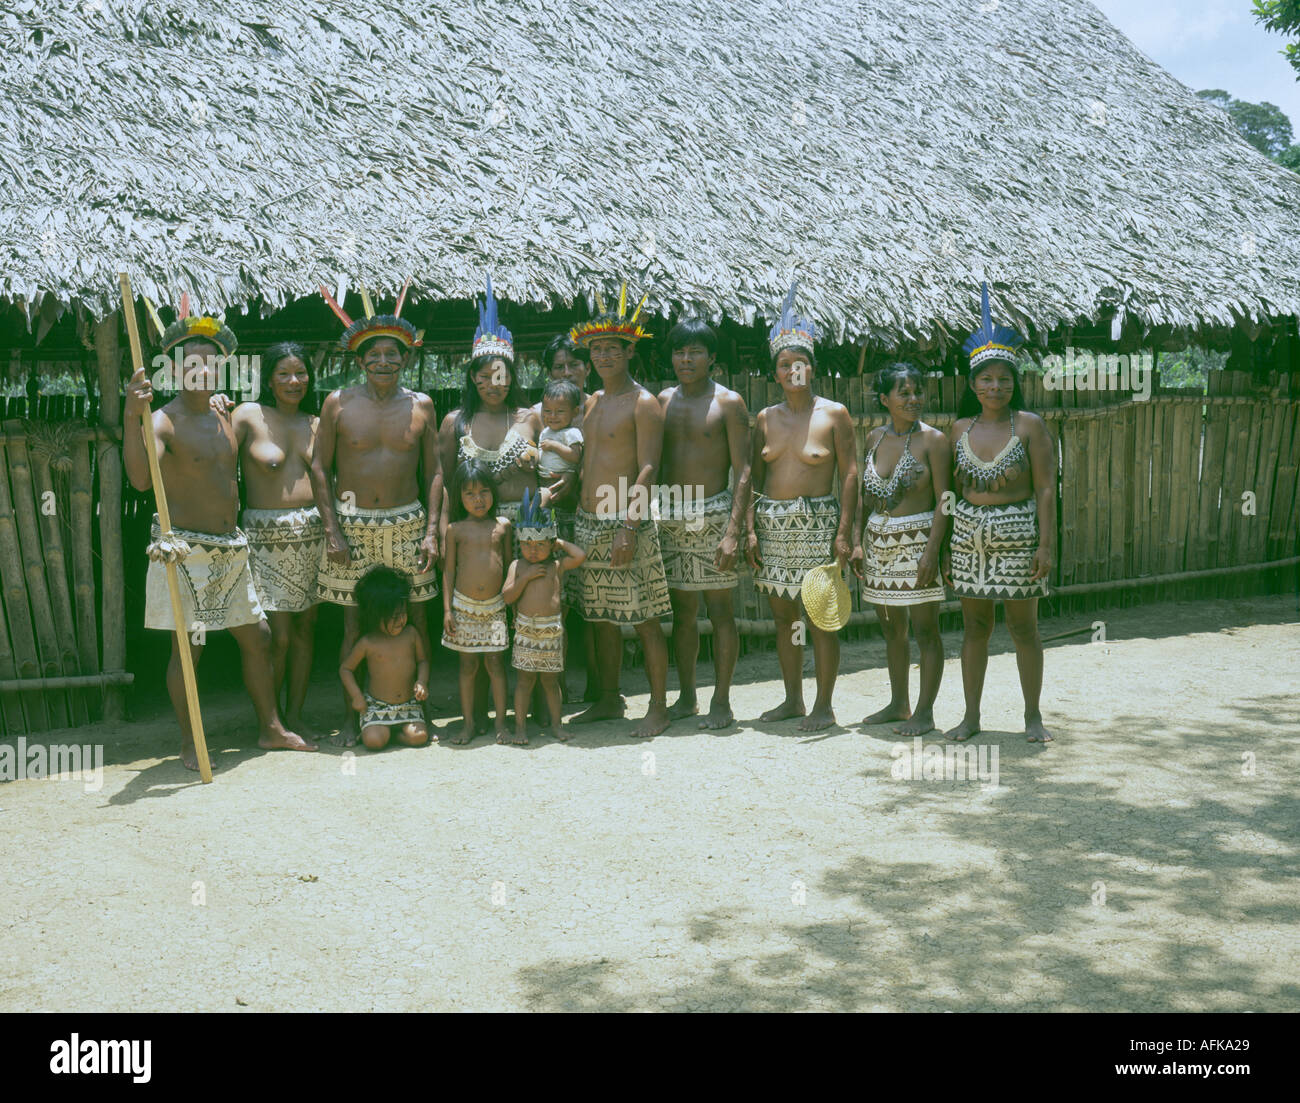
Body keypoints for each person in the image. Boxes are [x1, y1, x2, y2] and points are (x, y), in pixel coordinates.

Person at [123, 314, 314, 770]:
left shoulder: (224, 413)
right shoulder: (162, 422)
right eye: (193, 364)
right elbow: (138, 479)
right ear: (175, 370)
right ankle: (190, 742)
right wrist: (133, 415)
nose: (203, 372)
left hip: (231, 547)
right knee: (189, 649)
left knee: (260, 637)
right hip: (186, 550)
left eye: (210, 365)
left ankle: (270, 729)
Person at [312, 289, 441, 745]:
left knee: (416, 619)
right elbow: (318, 467)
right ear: (360, 361)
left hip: (407, 522)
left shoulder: (421, 405)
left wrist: (430, 533)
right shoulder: (338, 403)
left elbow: (435, 472)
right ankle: (353, 716)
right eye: (375, 355)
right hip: (352, 524)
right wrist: (332, 530)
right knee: (353, 622)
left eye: (393, 354)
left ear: (404, 359)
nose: (384, 361)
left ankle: (417, 708)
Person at [943, 283, 1057, 744]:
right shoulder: (957, 429)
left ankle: (1032, 716)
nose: (996, 387)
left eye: (1004, 379)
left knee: (1023, 627)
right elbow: (950, 495)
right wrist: (949, 548)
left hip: (1019, 536)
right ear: (973, 385)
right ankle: (971, 717)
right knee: (975, 627)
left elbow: (1047, 488)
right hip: (968, 537)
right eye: (987, 380)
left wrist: (1045, 545)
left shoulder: (1030, 426)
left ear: (1015, 382)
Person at [747, 283, 858, 731]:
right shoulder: (765, 419)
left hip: (819, 524)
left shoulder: (834, 414)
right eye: (783, 364)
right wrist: (751, 529)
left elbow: (850, 473)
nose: (792, 370)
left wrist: (845, 531)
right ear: (775, 372)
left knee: (821, 617)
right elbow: (754, 478)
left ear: (811, 369)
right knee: (783, 617)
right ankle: (793, 698)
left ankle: (824, 705)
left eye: (800, 363)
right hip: (774, 527)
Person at [568, 284, 673, 738]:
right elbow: (587, 462)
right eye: (597, 349)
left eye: (612, 348)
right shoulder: (591, 402)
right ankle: (609, 699)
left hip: (625, 520)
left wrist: (629, 525)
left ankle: (659, 708)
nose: (604, 356)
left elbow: (648, 467)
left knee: (645, 617)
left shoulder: (643, 402)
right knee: (600, 617)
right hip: (588, 521)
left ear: (629, 351)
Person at [656, 318, 751, 729]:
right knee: (681, 614)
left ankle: (723, 701)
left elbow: (744, 470)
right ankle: (688, 696)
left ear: (712, 358)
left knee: (720, 611)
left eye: (695, 351)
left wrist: (733, 531)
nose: (686, 359)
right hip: (672, 515)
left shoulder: (729, 402)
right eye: (679, 351)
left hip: (713, 514)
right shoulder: (662, 400)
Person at [851, 361, 949, 735]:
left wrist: (931, 552)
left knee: (926, 631)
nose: (913, 399)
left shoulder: (933, 441)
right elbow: (864, 493)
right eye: (903, 393)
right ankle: (899, 703)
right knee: (892, 630)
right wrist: (858, 540)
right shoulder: (874, 438)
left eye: (917, 391)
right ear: (884, 399)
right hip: (879, 543)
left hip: (919, 541)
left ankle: (925, 712)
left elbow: (945, 499)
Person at [231, 341, 322, 734]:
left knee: (305, 632)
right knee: (277, 636)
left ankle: (297, 714)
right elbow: (214, 453)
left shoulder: (316, 423)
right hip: (266, 537)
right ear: (268, 378)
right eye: (283, 373)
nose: (293, 380)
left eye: (300, 373)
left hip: (312, 535)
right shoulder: (248, 415)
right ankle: (272, 720)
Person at [437, 276, 541, 541]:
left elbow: (552, 472)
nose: (493, 385)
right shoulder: (455, 422)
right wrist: (443, 533)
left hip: (529, 528)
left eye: (501, 376)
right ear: (473, 378)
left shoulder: (531, 419)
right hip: (474, 531)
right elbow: (447, 485)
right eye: (485, 377)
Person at [502, 489, 587, 744]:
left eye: (540, 544)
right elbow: (507, 597)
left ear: (550, 544)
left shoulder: (556, 566)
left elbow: (580, 556)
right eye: (527, 544)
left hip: (551, 631)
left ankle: (556, 726)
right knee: (524, 682)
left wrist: (559, 542)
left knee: (551, 683)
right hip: (526, 631)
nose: (533, 550)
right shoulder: (517, 567)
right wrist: (525, 578)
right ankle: (519, 728)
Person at [441, 460, 512, 745]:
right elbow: (448, 571)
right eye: (470, 494)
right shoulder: (455, 530)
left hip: (495, 606)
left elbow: (509, 567)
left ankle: (501, 725)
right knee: (468, 667)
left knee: (496, 665)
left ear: (493, 492)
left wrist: (512, 604)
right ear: (459, 496)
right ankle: (468, 724)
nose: (478, 499)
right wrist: (447, 609)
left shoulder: (503, 526)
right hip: (464, 606)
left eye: (484, 491)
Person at [339, 566, 430, 751]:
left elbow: (423, 661)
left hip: (408, 705)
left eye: (403, 614)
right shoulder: (368, 642)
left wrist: (421, 681)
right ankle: (384, 732)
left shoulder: (411, 634)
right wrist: (357, 696)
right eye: (393, 616)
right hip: (376, 707)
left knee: (420, 737)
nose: (400, 620)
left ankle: (395, 735)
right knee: (374, 742)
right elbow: (346, 669)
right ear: (376, 615)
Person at [536, 378, 584, 507]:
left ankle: (532, 524)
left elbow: (575, 456)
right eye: (547, 411)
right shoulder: (545, 431)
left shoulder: (572, 432)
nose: (552, 416)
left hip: (562, 481)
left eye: (560, 411)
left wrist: (554, 446)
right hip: (543, 479)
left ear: (575, 412)